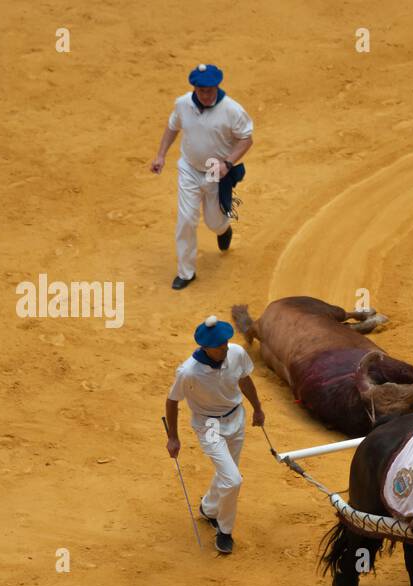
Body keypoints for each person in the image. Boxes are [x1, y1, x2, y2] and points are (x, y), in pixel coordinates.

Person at [165, 315, 265, 554]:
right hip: (208, 426)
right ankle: (225, 529)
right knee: (233, 479)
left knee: (227, 473)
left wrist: (258, 408)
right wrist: (173, 437)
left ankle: (208, 509)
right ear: (206, 348)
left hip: (236, 418)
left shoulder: (236, 353)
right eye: (219, 345)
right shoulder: (189, 372)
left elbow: (245, 380)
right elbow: (171, 401)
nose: (224, 347)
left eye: (225, 342)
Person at [150, 63, 254, 290]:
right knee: (186, 220)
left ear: (217, 86)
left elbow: (247, 139)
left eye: (210, 90)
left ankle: (223, 229)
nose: (206, 95)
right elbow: (172, 127)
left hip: (217, 174)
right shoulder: (182, 104)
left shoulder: (232, 109)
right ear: (195, 89)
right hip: (188, 169)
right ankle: (186, 272)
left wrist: (228, 163)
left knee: (214, 222)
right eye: (201, 91)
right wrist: (161, 155)